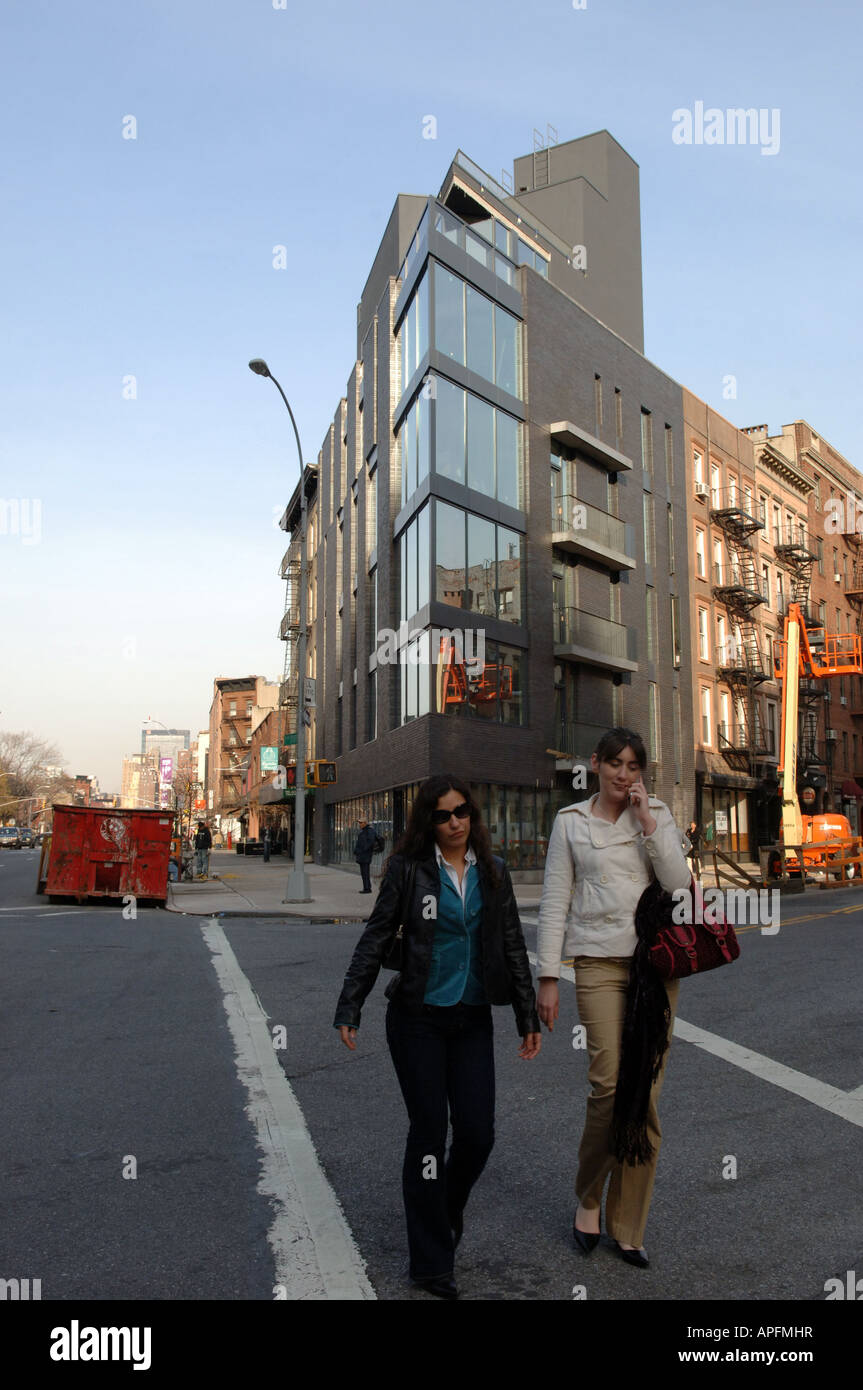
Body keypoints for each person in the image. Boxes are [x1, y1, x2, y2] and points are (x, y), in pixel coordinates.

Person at [334, 774, 541, 1300]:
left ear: (473, 816)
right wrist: (350, 1004)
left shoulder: (493, 873)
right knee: (429, 1133)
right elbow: (377, 935)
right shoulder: (408, 871)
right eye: (444, 814)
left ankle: (445, 1210)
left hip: (471, 1017)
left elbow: (513, 944)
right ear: (428, 820)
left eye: (463, 812)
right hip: (417, 1018)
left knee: (477, 1134)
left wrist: (526, 1014)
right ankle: (431, 1262)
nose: (455, 822)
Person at [536, 728, 691, 1269]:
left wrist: (649, 825)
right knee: (608, 1086)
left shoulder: (658, 815)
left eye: (634, 766)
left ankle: (629, 1224)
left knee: (644, 1092)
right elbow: (556, 897)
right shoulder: (571, 823)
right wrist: (548, 977)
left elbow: (678, 883)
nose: (624, 775)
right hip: (599, 963)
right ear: (596, 765)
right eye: (615, 764)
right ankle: (589, 1195)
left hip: (655, 968)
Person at [353, 817, 377, 894]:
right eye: (359, 823)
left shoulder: (370, 831)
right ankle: (366, 887)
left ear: (365, 823)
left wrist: (363, 850)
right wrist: (357, 851)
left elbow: (370, 842)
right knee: (364, 872)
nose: (359, 824)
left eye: (361, 823)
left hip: (365, 855)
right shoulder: (363, 831)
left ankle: (367, 888)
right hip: (362, 855)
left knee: (365, 872)